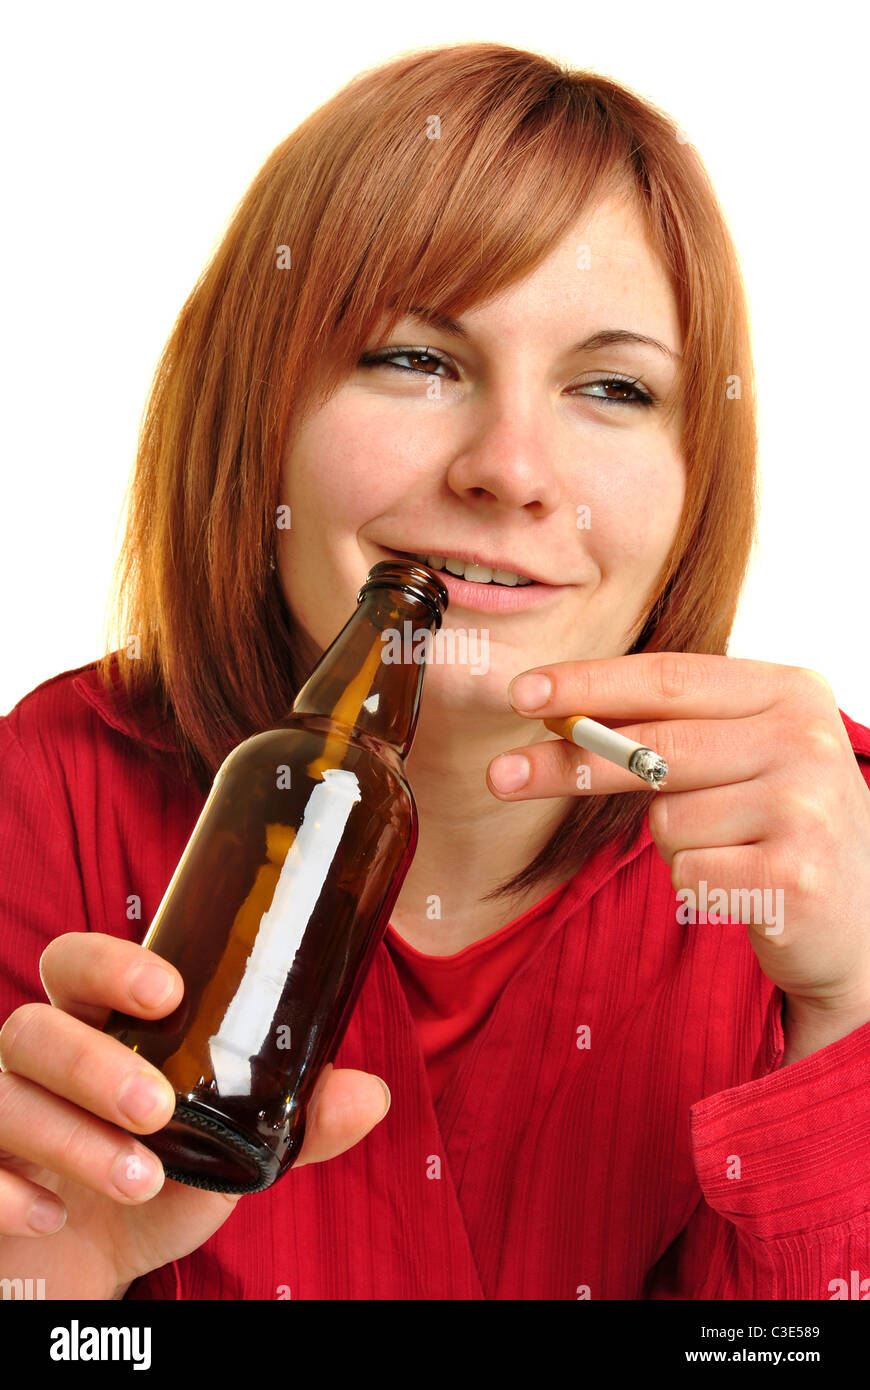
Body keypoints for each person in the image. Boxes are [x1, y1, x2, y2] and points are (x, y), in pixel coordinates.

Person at [1, 40, 868, 1302]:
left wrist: (848, 1019)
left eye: (615, 385)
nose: (511, 467)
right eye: (415, 358)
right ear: (259, 414)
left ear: (698, 481)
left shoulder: (825, 839)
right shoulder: (48, 797)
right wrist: (46, 1298)